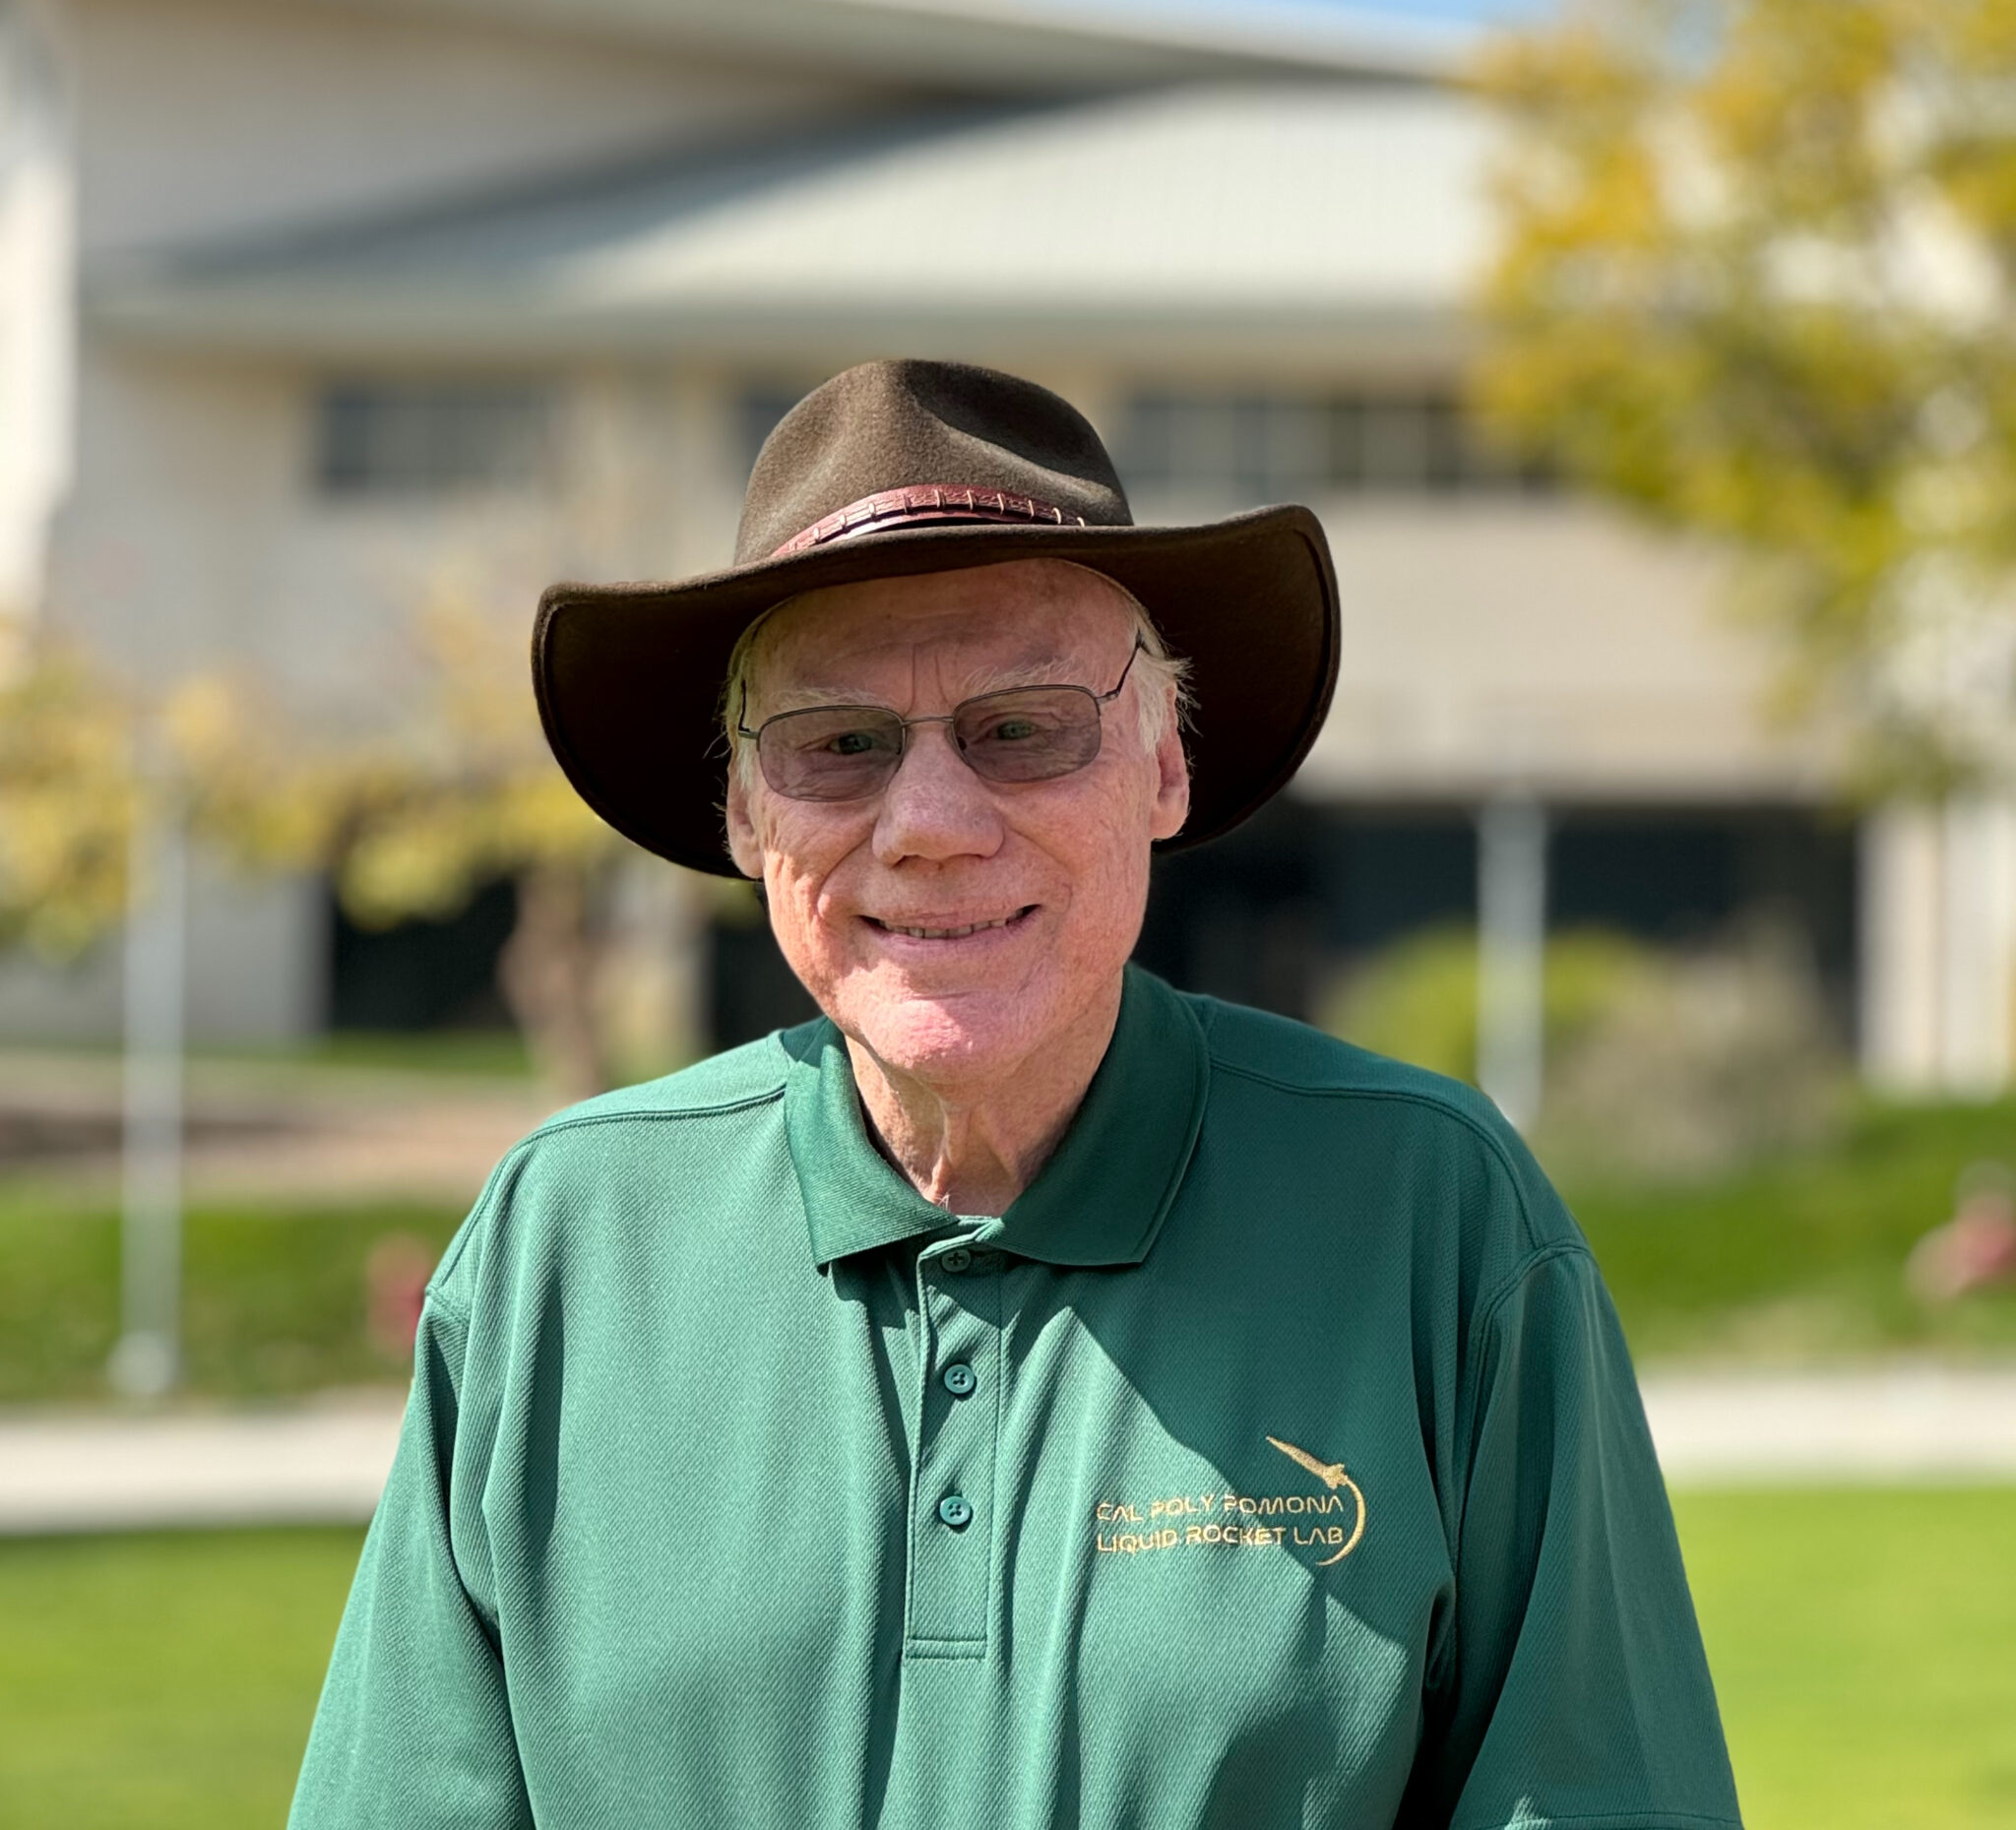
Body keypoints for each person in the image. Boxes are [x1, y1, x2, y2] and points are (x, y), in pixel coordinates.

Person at [292, 360, 1740, 1828]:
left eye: (1025, 727)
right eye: (838, 743)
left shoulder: (1427, 1216)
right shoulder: (562, 1243)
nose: (929, 824)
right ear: (742, 809)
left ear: (1164, 765)